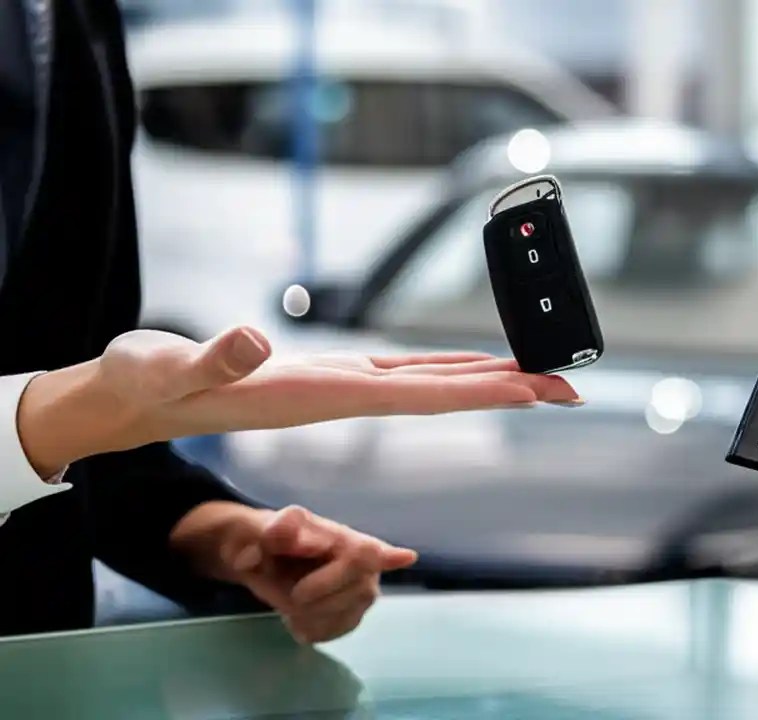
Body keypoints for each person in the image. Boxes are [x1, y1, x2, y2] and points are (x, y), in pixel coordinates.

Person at [0, 0, 578, 640]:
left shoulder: (75, 17)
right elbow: (60, 418)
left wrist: (227, 540)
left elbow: (95, 458)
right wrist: (45, 423)